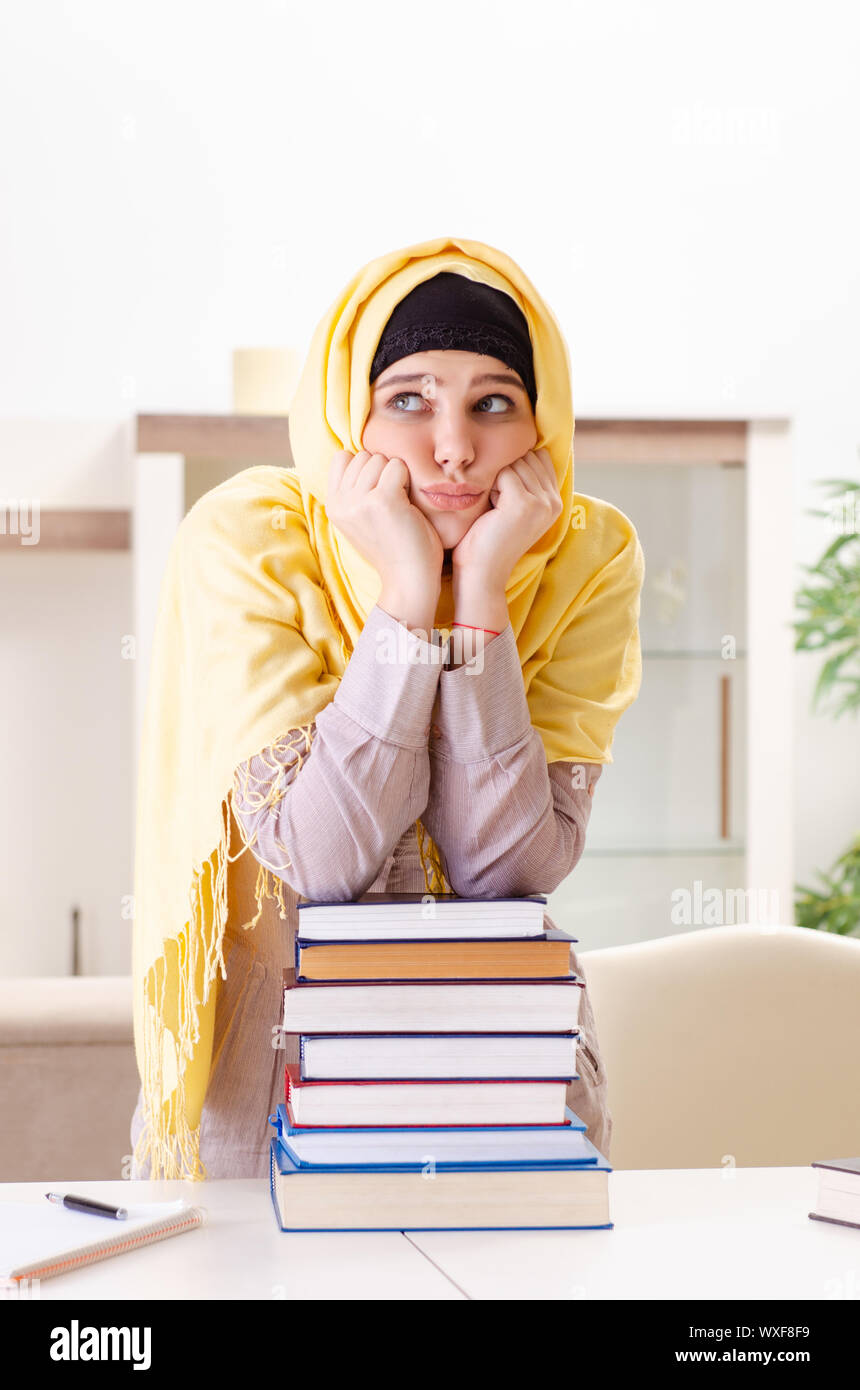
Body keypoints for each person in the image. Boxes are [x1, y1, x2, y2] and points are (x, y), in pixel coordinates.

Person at [130, 235, 645, 1181]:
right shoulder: (248, 542)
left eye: (496, 402)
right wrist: (408, 597)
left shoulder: (583, 555)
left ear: (543, 428)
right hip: (280, 1087)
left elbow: (507, 869)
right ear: (349, 417)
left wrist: (480, 593)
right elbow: (320, 858)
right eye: (407, 399)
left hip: (512, 1090)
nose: (455, 446)